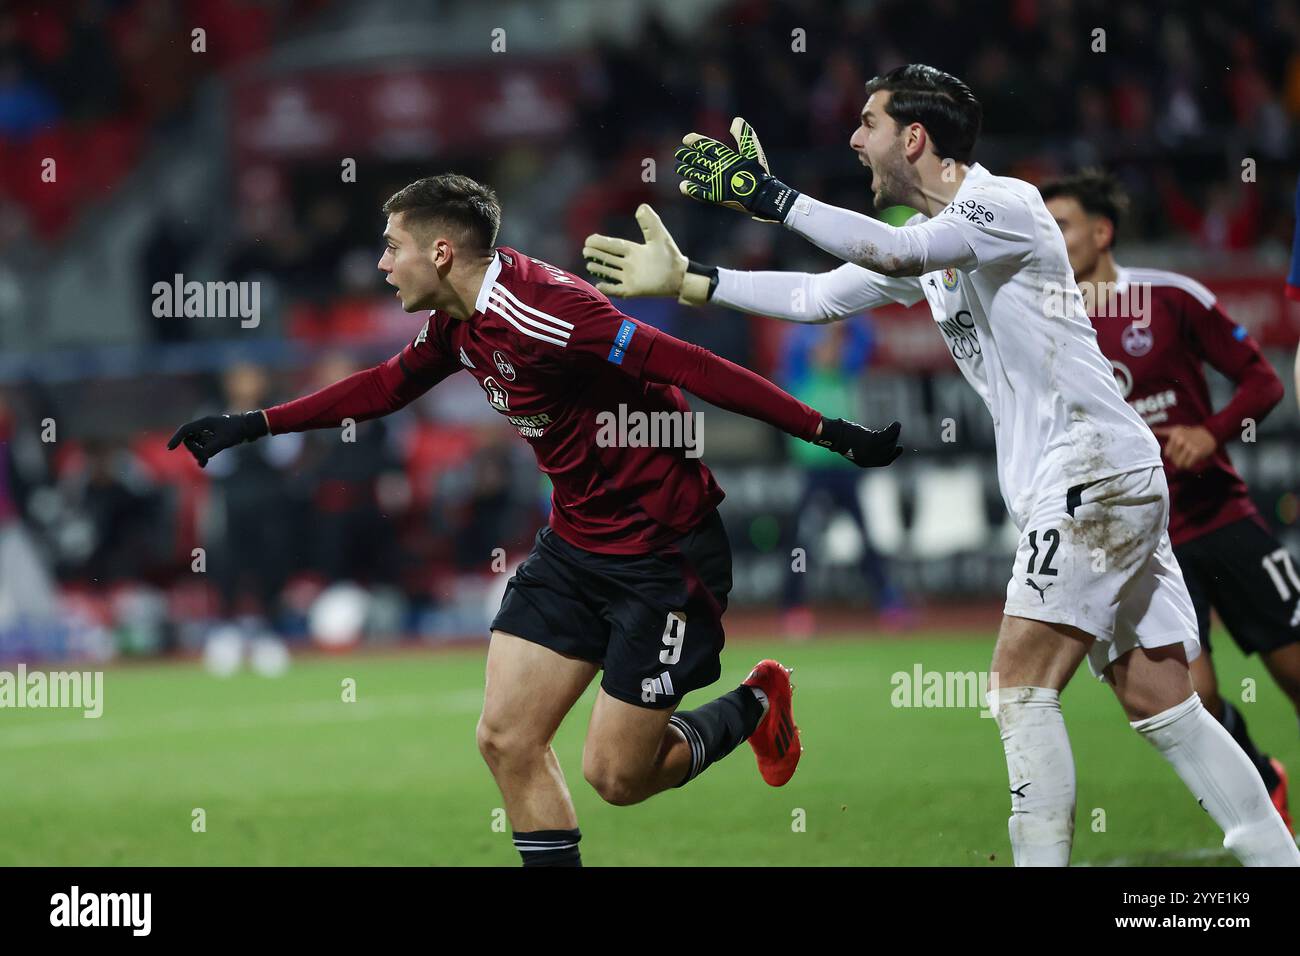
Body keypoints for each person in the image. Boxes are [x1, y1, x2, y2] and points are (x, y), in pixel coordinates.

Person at [582, 64, 1299, 865]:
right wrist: (691, 280)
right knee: (1160, 697)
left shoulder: (1003, 204)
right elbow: (820, 296)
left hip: (1090, 471)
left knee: (1018, 688)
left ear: (913, 137)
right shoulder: (938, 245)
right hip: (1090, 479)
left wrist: (774, 199)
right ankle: (1278, 861)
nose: (854, 139)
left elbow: (888, 252)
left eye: (868, 122)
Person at [168, 173, 904, 867]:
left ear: (442, 252)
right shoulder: (457, 323)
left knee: (617, 776)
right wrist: (255, 423)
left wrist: (828, 431)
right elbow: (384, 388)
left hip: (662, 553)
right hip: (576, 547)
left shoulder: (550, 311)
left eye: (394, 247)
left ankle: (754, 701)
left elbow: (691, 365)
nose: (383, 264)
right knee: (506, 738)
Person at [1042, 169, 1297, 831]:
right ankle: (1263, 777)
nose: (1052, 238)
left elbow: (1262, 382)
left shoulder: (1168, 296)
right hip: (1150, 545)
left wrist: (1211, 435)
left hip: (1221, 514)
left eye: (1062, 224)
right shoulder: (1048, 326)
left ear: (1103, 232)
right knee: (1197, 701)